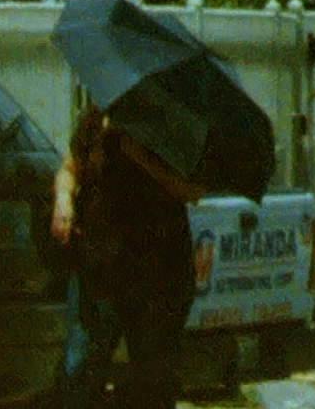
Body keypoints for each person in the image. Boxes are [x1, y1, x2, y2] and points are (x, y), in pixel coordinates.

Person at [55, 102, 201, 409]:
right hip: (100, 265)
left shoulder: (172, 122)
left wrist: (138, 153)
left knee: (153, 378)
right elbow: (70, 169)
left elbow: (191, 190)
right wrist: (63, 201)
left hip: (157, 271)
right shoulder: (96, 119)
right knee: (79, 368)